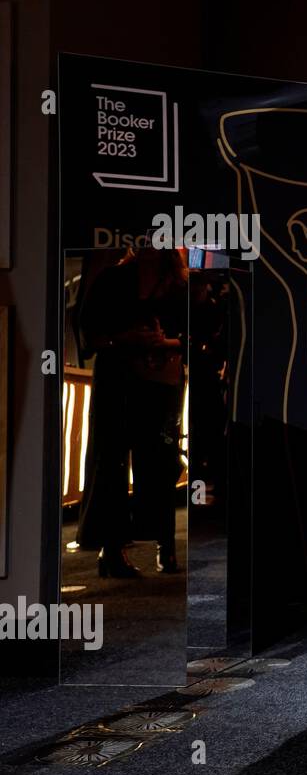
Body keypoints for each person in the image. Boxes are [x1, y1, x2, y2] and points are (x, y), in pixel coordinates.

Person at [76, 247, 188, 577]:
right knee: (111, 460)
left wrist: (166, 343)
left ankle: (163, 545)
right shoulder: (114, 278)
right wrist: (124, 338)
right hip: (119, 377)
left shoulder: (177, 285)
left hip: (158, 378)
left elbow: (198, 331)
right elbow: (88, 327)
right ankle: (112, 550)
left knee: (160, 462)